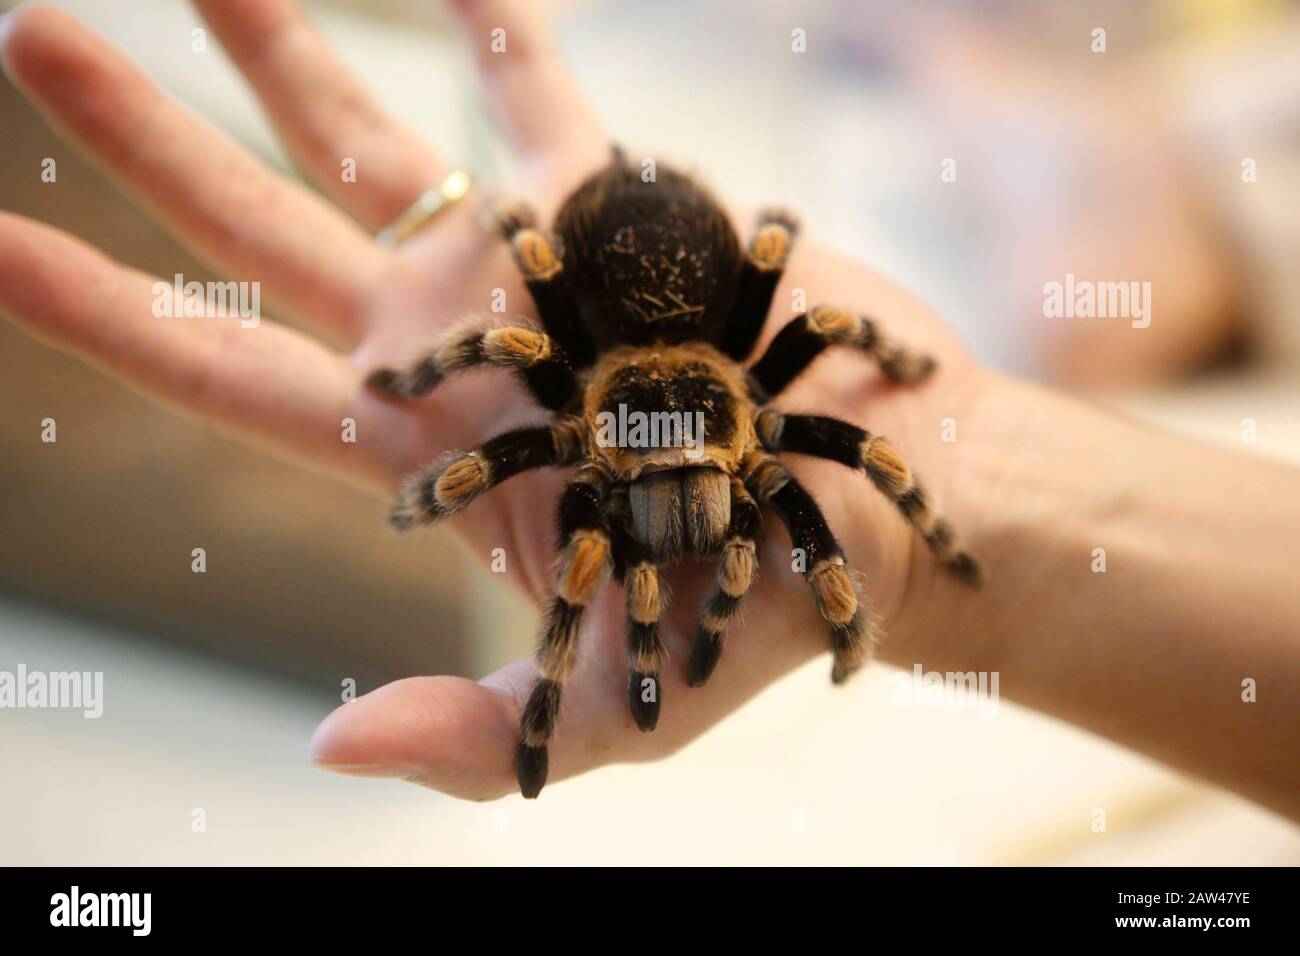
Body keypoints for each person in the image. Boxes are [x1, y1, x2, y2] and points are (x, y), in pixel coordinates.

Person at [1, 0, 1295, 818]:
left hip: (657, 277)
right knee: (532, 297)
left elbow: (835, 348)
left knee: (832, 397)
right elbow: (515, 318)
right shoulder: (575, 403)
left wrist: (940, 522)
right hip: (630, 276)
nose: (680, 507)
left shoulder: (765, 432)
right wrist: (425, 414)